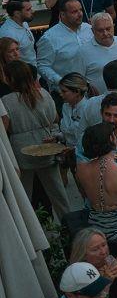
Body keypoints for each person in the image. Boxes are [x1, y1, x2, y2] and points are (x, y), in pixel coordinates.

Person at [4, 61, 71, 218]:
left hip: (20, 152)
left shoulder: (6, 101)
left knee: (23, 199)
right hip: (46, 147)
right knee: (59, 197)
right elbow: (54, 118)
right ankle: (70, 230)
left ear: (9, 78)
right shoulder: (44, 94)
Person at [36, 0, 92, 92]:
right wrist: (62, 82)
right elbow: (42, 66)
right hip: (66, 93)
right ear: (62, 14)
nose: (80, 14)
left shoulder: (89, 29)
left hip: (92, 88)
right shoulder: (49, 38)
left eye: (80, 10)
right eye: (74, 12)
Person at [1, 0, 36, 65]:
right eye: (28, 9)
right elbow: (10, 63)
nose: (32, 11)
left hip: (34, 69)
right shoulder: (8, 34)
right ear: (17, 13)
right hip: (23, 72)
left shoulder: (24, 23)